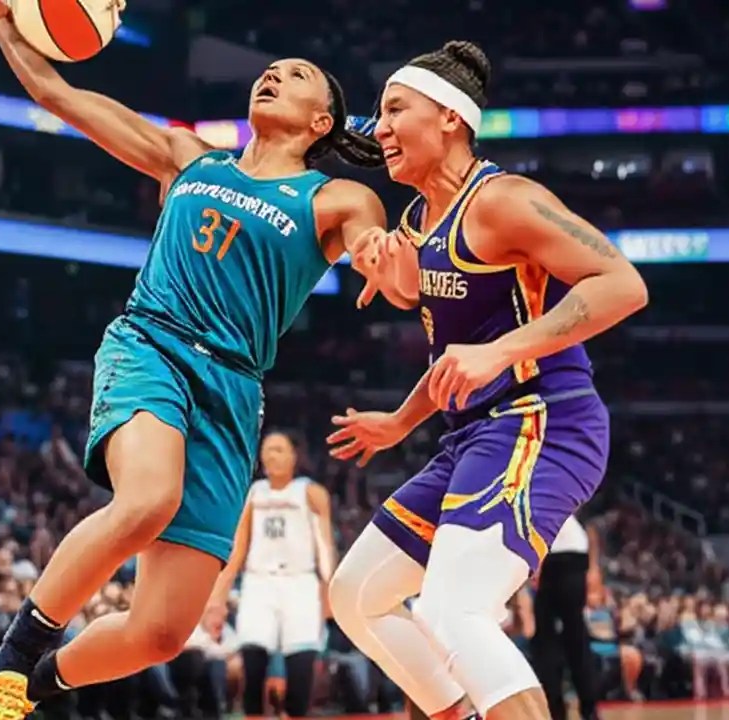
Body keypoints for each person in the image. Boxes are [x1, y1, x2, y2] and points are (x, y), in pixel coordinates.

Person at [0, 2, 388, 717]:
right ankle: (8, 665)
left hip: (232, 387)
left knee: (160, 631)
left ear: (322, 125)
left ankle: (30, 685)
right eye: (271, 70)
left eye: (297, 74)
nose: (274, 75)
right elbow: (60, 94)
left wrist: (383, 256)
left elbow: (385, 258)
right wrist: (6, 27)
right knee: (148, 499)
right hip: (153, 343)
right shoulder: (188, 156)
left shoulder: (334, 197)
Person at [326, 41, 648, 720]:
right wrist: (398, 422)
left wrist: (504, 349)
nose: (378, 126)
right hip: (474, 433)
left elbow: (623, 284)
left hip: (543, 418)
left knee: (455, 607)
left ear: (449, 117)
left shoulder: (503, 200)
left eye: (394, 109)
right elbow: (448, 343)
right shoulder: (420, 221)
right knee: (354, 595)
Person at [212, 430, 337, 718]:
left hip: (301, 581)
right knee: (252, 659)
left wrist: (328, 587)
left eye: (279, 449)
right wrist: (219, 593)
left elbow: (324, 544)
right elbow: (239, 547)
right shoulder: (254, 493)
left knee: (301, 663)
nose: (271, 455)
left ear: (294, 456)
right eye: (267, 450)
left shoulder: (310, 492)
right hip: (259, 582)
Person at [532, 514, 605, 719]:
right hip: (568, 560)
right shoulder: (575, 503)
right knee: (575, 638)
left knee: (549, 642)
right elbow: (591, 532)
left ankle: (558, 710)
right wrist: (593, 568)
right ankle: (588, 709)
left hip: (553, 559)